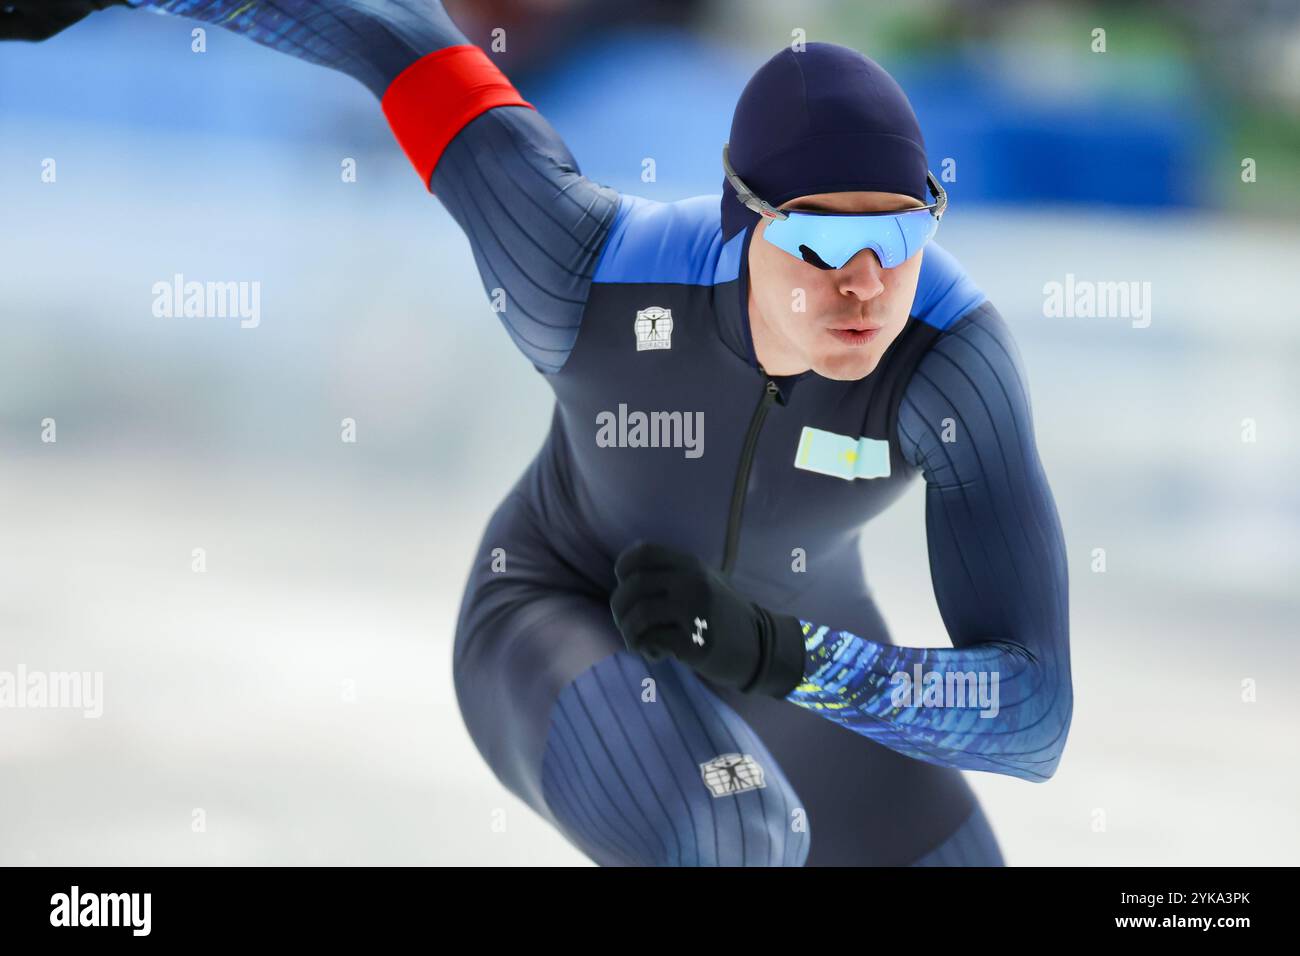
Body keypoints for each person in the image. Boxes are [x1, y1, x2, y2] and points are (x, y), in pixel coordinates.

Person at [6, 0, 1073, 866]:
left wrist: (781, 655)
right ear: (743, 222)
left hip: (788, 664)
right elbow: (397, 36)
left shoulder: (948, 359)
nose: (865, 284)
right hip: (564, 617)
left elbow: (1032, 714)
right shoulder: (586, 270)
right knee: (733, 834)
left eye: (898, 230)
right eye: (818, 238)